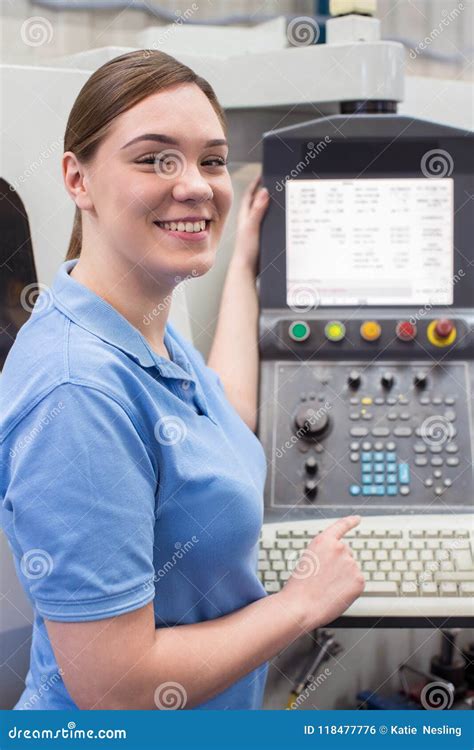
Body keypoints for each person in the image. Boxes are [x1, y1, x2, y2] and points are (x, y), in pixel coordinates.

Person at [0, 50, 364, 711]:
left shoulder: (143, 330)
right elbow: (115, 687)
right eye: (154, 159)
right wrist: (300, 605)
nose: (194, 184)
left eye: (212, 160)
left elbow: (222, 408)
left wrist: (246, 266)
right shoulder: (79, 394)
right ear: (76, 179)